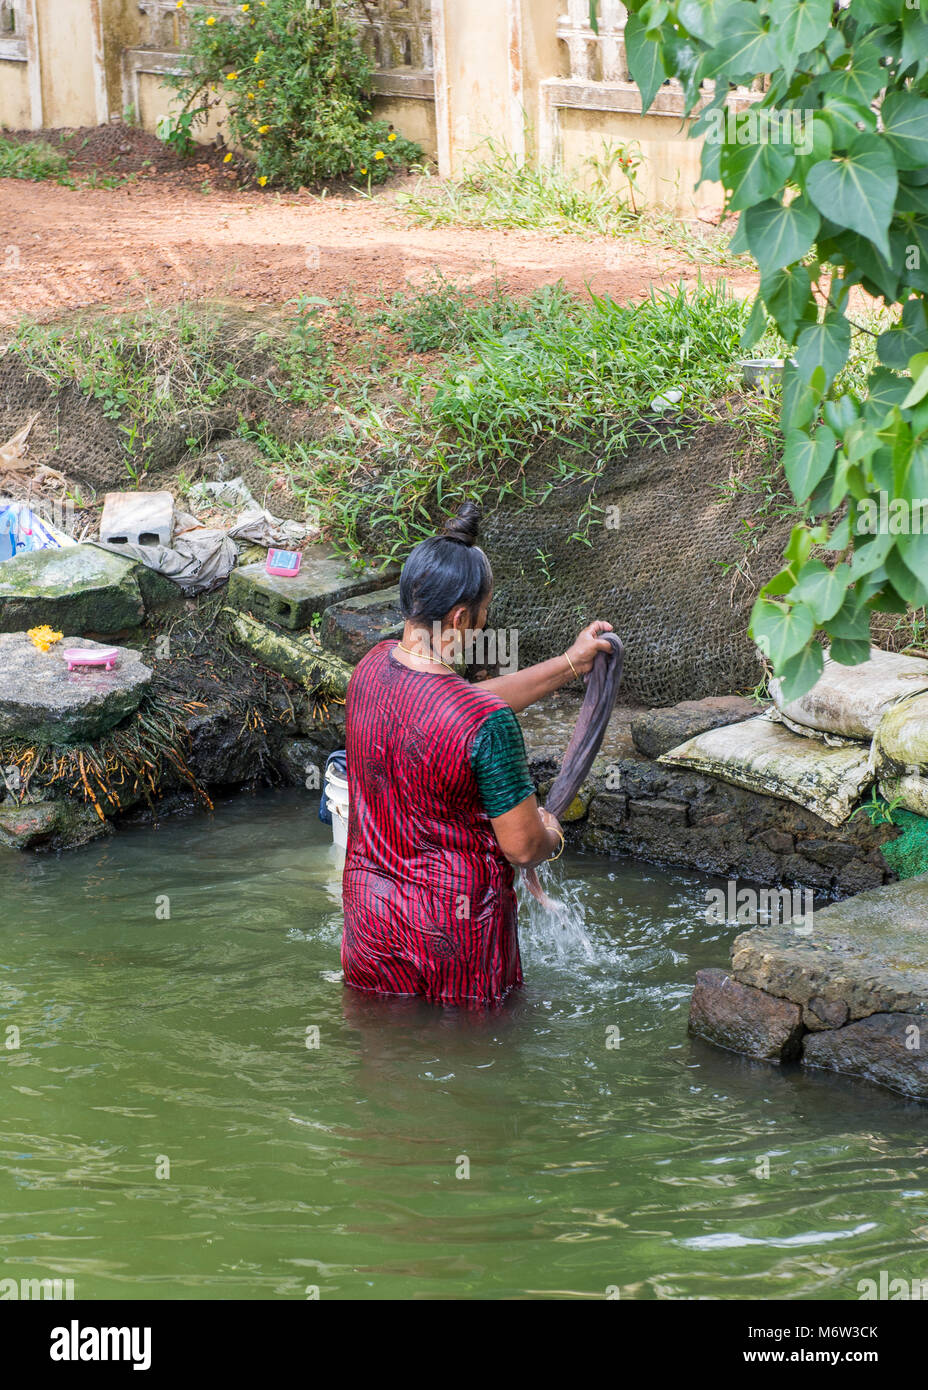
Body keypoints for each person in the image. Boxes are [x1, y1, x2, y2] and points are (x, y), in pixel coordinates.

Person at [341, 501, 614, 1009]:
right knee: (473, 1065)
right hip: (458, 935)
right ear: (462, 616)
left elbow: (456, 706)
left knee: (379, 1061)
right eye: (485, 614)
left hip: (371, 921)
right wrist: (551, 830)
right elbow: (523, 848)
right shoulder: (488, 725)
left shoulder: (369, 669)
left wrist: (570, 665)